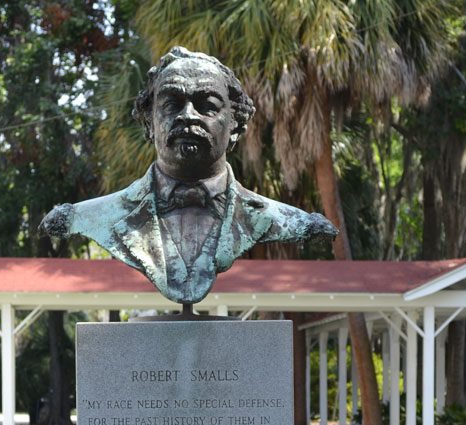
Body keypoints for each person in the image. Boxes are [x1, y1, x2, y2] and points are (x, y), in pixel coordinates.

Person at [39, 47, 337, 305]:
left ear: (235, 125)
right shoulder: (81, 217)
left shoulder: (293, 222)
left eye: (208, 106)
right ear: (148, 122)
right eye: (172, 104)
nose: (188, 115)